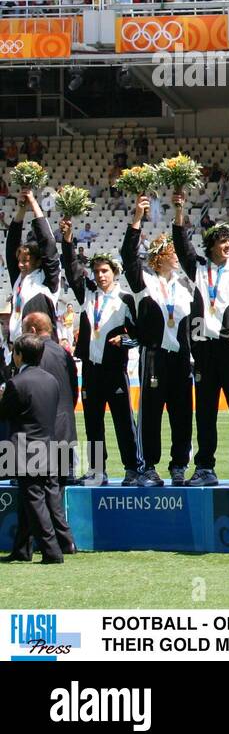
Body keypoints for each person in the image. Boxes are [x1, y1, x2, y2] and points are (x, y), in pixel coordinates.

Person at [173, 192, 229, 486]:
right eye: (222, 242)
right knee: (205, 413)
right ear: (211, 245)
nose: (228, 245)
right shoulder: (198, 269)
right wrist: (180, 210)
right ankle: (205, 467)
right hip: (204, 351)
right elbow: (181, 247)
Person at [60, 220, 142, 486]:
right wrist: (68, 240)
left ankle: (132, 468)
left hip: (115, 370)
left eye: (104, 271)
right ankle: (97, 471)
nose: (100, 275)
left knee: (123, 423)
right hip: (92, 370)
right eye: (96, 271)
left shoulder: (126, 299)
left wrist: (125, 340)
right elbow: (72, 271)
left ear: (114, 272)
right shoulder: (88, 295)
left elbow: (139, 336)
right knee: (93, 424)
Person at [121, 192, 195, 487]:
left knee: (181, 414)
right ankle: (148, 466)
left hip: (180, 358)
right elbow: (128, 257)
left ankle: (179, 466)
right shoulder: (145, 285)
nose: (177, 256)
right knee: (150, 414)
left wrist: (180, 211)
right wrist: (137, 218)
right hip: (153, 355)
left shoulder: (185, 288)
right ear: (160, 257)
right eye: (172, 253)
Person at [2, 334, 74, 563]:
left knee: (33, 501)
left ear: (19, 355)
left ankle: (52, 551)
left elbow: (4, 414)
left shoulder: (16, 383)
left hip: (26, 448)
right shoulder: (50, 380)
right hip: (48, 444)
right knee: (28, 500)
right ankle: (22, 550)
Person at [21, 312, 79, 486]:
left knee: (40, 491)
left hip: (42, 435)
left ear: (32, 330)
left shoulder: (33, 354)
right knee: (64, 489)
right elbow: (73, 388)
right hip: (66, 429)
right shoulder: (64, 353)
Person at [6, 189, 61, 353]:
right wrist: (22, 208)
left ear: (37, 261)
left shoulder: (46, 279)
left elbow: (48, 243)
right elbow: (11, 244)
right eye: (20, 261)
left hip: (41, 351)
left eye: (26, 261)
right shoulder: (19, 280)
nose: (21, 265)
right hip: (18, 349)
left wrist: (33, 203)